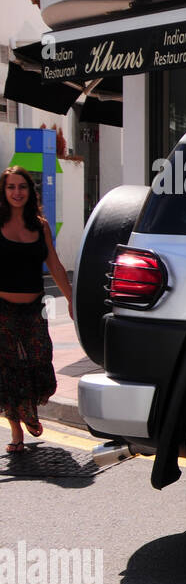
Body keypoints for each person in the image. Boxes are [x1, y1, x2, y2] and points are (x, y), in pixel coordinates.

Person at [1, 165, 74, 453]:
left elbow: (54, 264)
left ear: (30, 192)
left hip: (33, 308)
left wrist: (70, 298)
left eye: (22, 187)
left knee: (39, 361)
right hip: (2, 310)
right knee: (7, 370)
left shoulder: (40, 225)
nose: (16, 192)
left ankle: (27, 408)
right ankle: (17, 428)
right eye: (10, 187)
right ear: (4, 191)